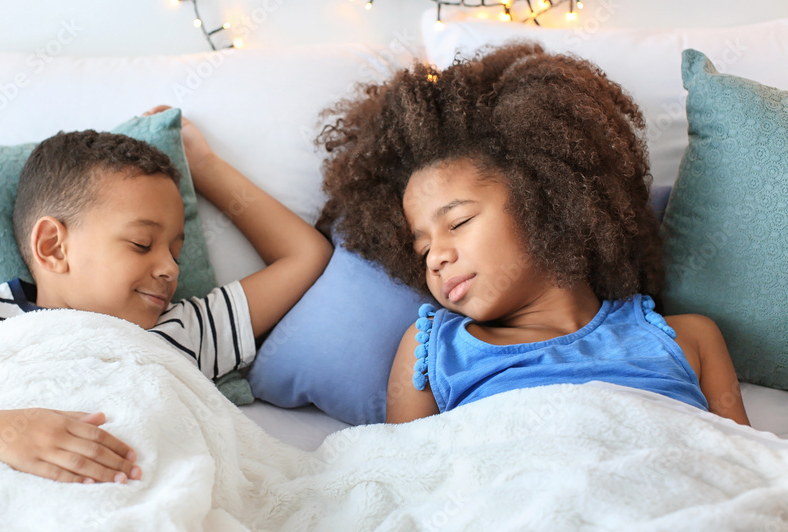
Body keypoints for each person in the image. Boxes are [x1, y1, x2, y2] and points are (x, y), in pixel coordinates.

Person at [0, 106, 333, 501]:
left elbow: (306, 253)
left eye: (177, 251)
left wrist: (203, 168)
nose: (170, 269)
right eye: (143, 245)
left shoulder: (183, 329)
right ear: (54, 248)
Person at [315, 43, 750, 426]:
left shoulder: (687, 338)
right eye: (423, 247)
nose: (435, 258)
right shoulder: (431, 352)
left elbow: (750, 471)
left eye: (459, 222)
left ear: (546, 200)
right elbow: (404, 482)